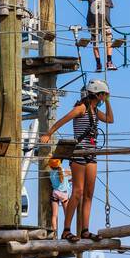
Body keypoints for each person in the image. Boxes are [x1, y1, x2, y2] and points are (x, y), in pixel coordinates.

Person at [40, 79, 114, 242]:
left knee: (89, 194)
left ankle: (85, 230)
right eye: (103, 95)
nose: (104, 98)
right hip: (79, 154)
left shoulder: (95, 110)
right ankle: (66, 230)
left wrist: (108, 101)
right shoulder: (81, 108)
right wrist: (49, 133)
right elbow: (62, 120)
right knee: (77, 192)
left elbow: (110, 119)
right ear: (97, 94)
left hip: (91, 154)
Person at [78, 0, 116, 72]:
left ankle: (98, 64)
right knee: (109, 41)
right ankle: (109, 62)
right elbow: (112, 5)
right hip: (105, 22)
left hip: (93, 22)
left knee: (95, 43)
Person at [48, 158, 71, 237]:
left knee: (54, 215)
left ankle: (54, 232)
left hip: (55, 193)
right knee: (67, 215)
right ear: (60, 163)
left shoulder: (50, 173)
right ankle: (67, 231)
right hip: (64, 194)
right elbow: (71, 176)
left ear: (50, 166)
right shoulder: (65, 171)